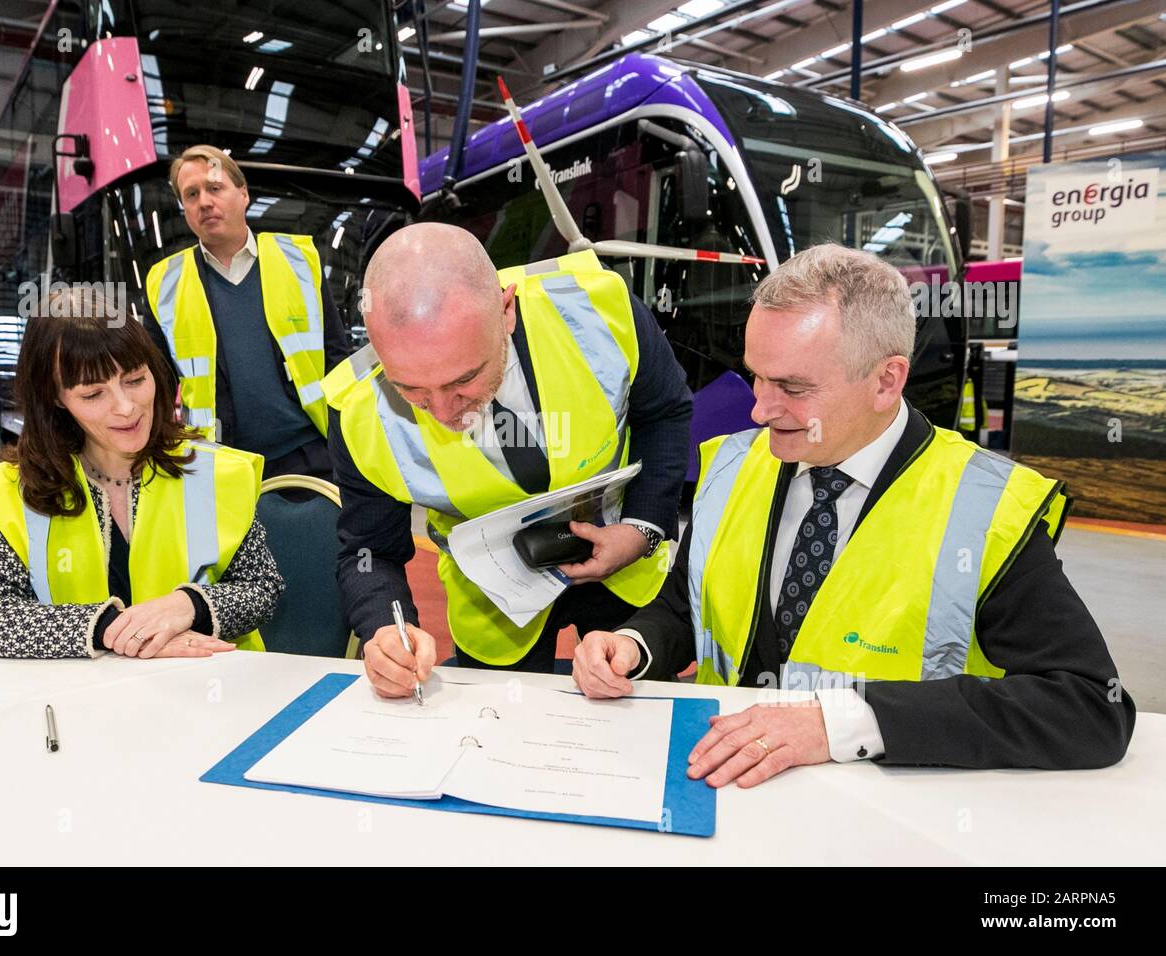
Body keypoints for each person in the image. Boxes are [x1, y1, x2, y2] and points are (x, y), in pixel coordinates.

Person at [572, 243, 1135, 785]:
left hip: (892, 819)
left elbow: (1089, 707)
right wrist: (637, 644)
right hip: (726, 786)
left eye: (792, 387)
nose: (760, 409)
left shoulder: (985, 506)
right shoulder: (733, 466)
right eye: (756, 376)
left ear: (886, 381)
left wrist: (837, 724)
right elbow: (688, 605)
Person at [323, 223, 692, 695]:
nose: (443, 412)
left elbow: (664, 411)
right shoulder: (357, 410)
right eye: (409, 389)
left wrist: (642, 529)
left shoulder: (599, 308)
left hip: (623, 567)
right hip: (492, 604)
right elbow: (367, 551)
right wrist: (385, 629)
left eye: (464, 380)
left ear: (507, 310)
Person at [0, 287, 283, 659]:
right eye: (93, 394)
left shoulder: (215, 472)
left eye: (134, 380)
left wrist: (188, 606)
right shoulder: (17, 491)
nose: (127, 408)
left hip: (208, 690)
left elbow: (262, 589)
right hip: (80, 702)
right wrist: (117, 631)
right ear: (54, 398)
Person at [143, 144, 352, 479]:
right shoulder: (164, 281)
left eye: (215, 188)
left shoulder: (299, 259)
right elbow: (153, 384)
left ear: (243, 194)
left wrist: (347, 443)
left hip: (314, 455)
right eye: (191, 194)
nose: (205, 202)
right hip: (217, 465)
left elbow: (337, 359)